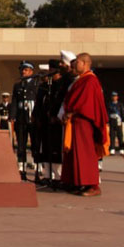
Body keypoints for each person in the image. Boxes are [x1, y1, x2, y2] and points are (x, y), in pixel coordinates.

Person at [60, 53, 108, 197]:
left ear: (84, 63)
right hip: (75, 122)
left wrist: (73, 112)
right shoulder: (80, 80)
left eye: (77, 63)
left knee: (85, 153)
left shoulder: (90, 80)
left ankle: (92, 185)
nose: (74, 66)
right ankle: (79, 182)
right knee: (75, 154)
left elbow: (86, 103)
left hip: (84, 121)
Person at [34, 59, 65, 186]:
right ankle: (47, 175)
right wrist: (36, 116)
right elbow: (39, 103)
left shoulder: (62, 85)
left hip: (57, 121)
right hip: (45, 120)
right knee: (45, 147)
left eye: (53, 70)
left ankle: (58, 176)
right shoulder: (46, 86)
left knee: (56, 148)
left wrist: (56, 115)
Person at [10, 61, 38, 180]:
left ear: (31, 71)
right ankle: (22, 169)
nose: (23, 72)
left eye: (26, 70)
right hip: (21, 118)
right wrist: (12, 116)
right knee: (21, 144)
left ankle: (37, 168)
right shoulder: (17, 85)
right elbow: (15, 102)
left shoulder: (36, 84)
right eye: (22, 69)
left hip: (32, 117)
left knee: (35, 144)